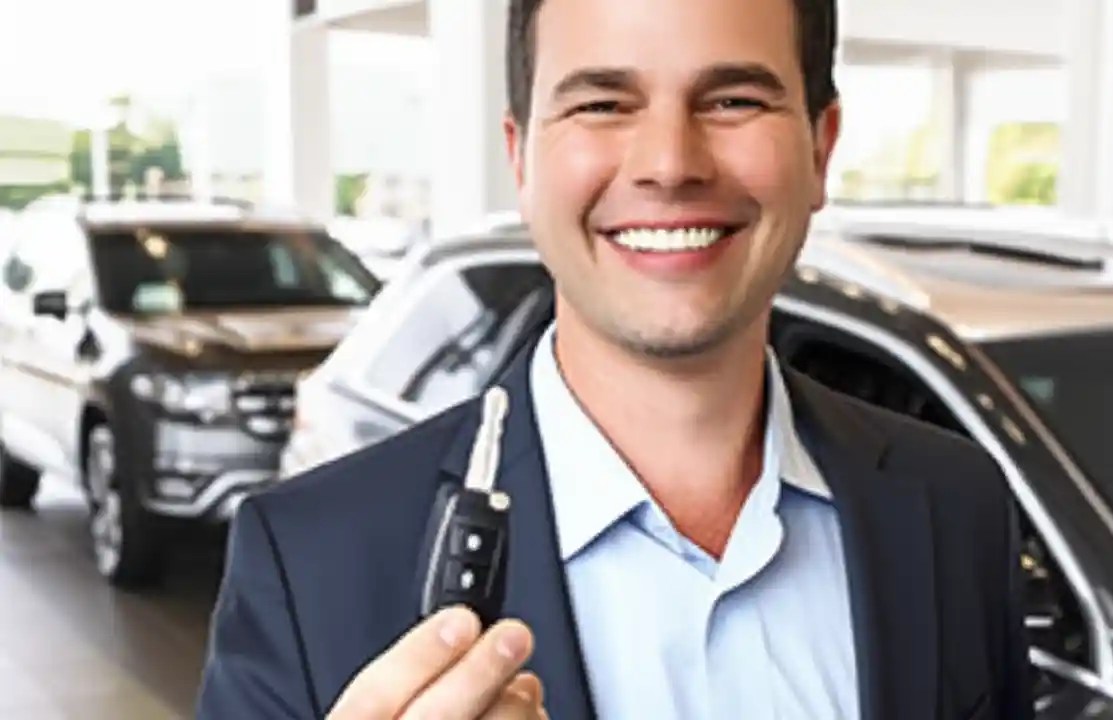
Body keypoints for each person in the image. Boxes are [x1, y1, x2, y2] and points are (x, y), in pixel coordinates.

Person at [196, 0, 1034, 717]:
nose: (670, 164)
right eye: (602, 104)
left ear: (821, 147)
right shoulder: (307, 565)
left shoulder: (957, 506)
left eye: (734, 99)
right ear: (521, 156)